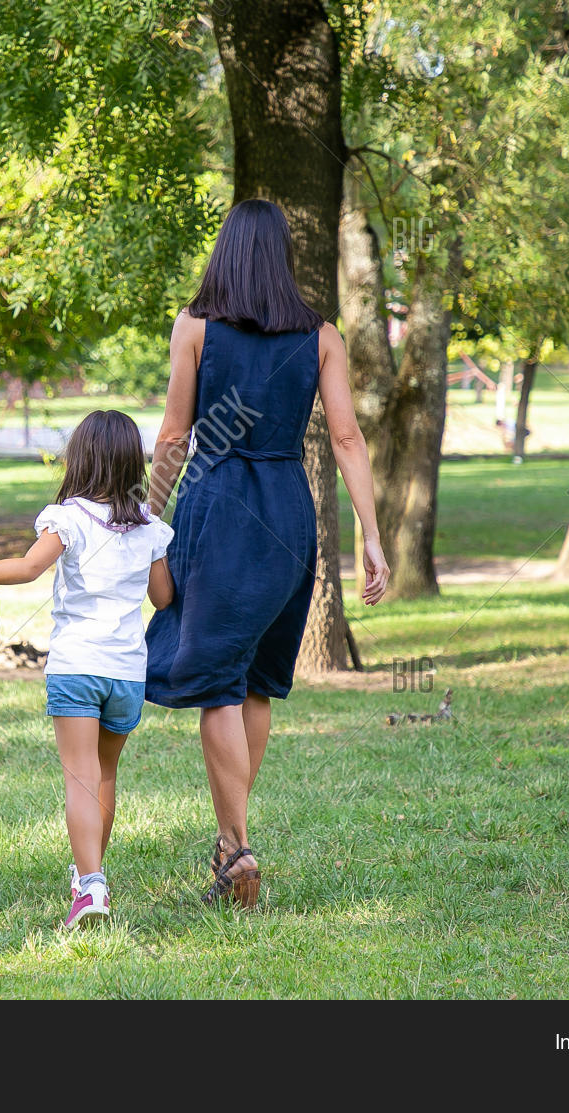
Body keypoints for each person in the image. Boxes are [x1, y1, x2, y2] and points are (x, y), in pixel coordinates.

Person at [143, 199, 390, 908]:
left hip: (218, 506)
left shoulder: (194, 327)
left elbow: (172, 437)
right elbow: (346, 439)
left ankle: (237, 845)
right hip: (288, 511)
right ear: (282, 256)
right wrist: (370, 536)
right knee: (255, 682)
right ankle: (231, 844)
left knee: (219, 681)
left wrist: (143, 518)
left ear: (224, 251)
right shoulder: (320, 336)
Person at [0, 410, 173, 929]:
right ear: (133, 462)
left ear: (80, 458)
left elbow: (27, 568)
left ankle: (91, 887)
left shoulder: (70, 517)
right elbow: (164, 596)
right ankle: (92, 875)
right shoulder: (149, 527)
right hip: (127, 672)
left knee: (80, 779)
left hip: (78, 665)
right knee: (104, 776)